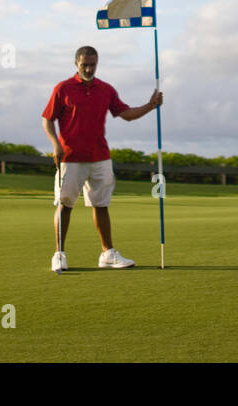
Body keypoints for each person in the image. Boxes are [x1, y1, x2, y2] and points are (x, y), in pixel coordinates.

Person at [42, 45, 162, 272]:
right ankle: (59, 254)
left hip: (100, 157)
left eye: (92, 64)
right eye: (84, 65)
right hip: (70, 157)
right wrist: (55, 145)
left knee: (101, 205)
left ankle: (107, 253)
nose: (88, 69)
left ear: (97, 63)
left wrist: (150, 105)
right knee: (66, 205)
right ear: (76, 64)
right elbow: (47, 119)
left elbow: (126, 114)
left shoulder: (106, 90)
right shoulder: (63, 88)